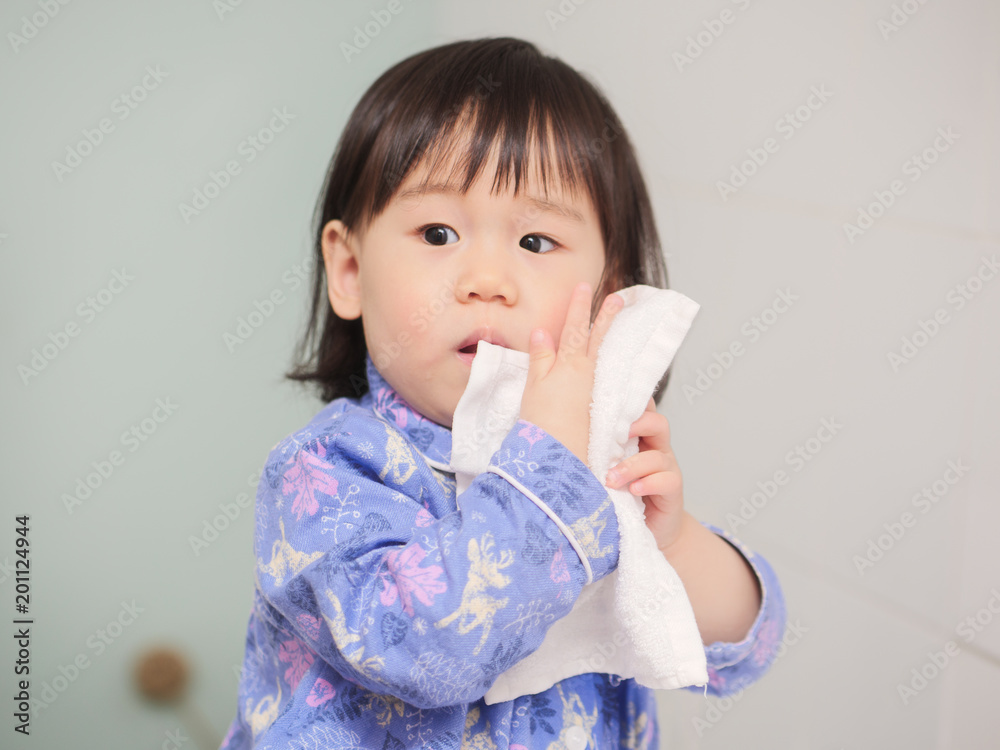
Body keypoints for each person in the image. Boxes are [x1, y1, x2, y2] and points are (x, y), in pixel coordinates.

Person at [220, 36, 786, 750]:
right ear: (350, 270)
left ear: (607, 296)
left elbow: (747, 649)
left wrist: (670, 544)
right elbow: (427, 650)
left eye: (536, 243)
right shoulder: (325, 474)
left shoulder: (596, 469)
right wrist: (546, 471)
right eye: (438, 233)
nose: (487, 280)